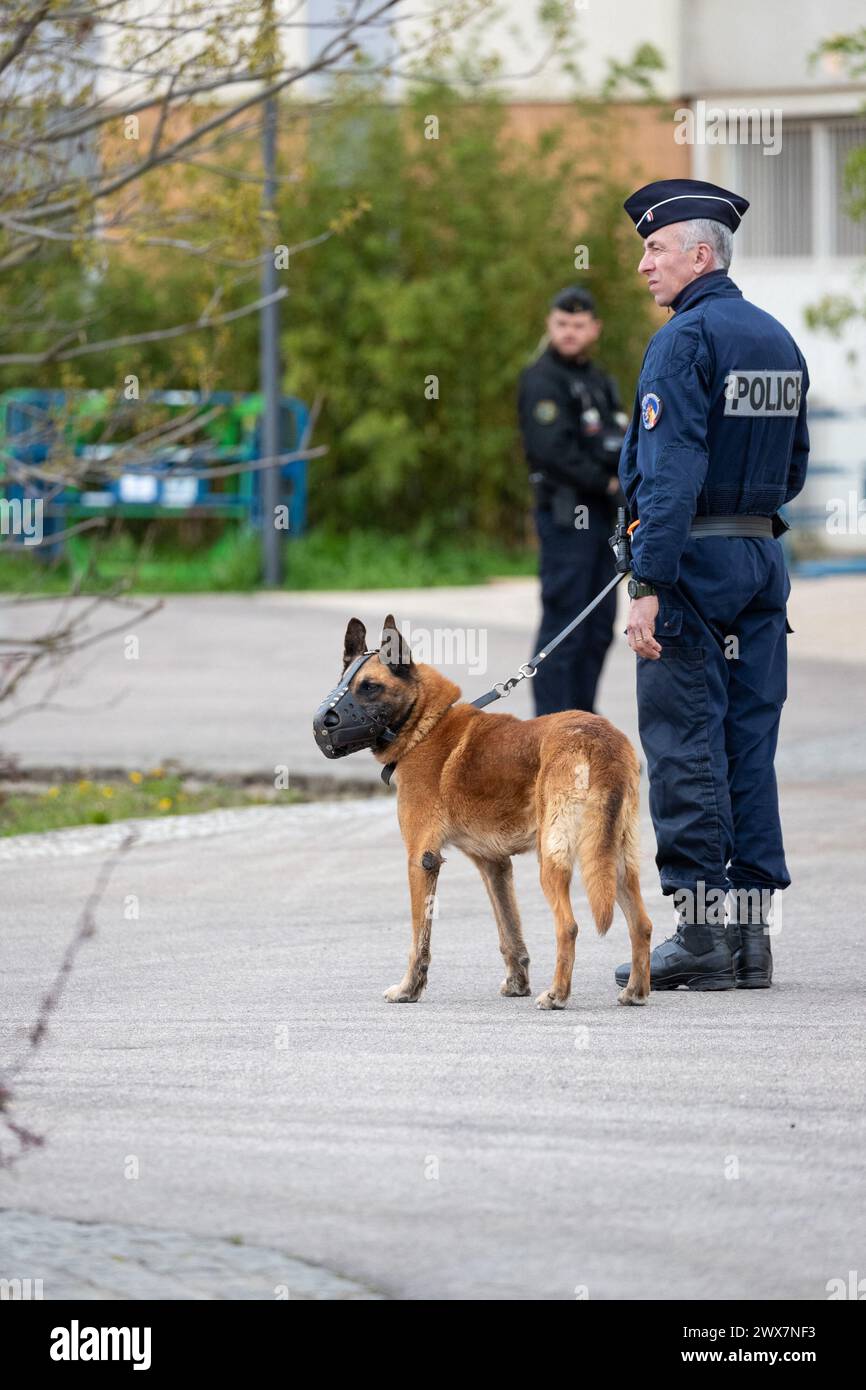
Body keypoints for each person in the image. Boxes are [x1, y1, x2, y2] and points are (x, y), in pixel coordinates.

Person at [613, 178, 810, 993]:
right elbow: (792, 468)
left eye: (654, 249)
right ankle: (750, 940)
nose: (642, 266)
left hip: (691, 569)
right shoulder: (775, 340)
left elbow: (670, 474)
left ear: (700, 254)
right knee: (747, 746)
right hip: (760, 562)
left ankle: (700, 935)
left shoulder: (684, 342)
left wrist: (648, 579)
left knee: (685, 740)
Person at [518, 287, 628, 716]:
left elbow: (617, 440)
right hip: (567, 519)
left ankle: (581, 725)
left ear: (594, 329)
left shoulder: (598, 381)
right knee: (565, 625)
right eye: (562, 324)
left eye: (579, 325)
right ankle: (549, 731)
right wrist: (606, 481)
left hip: (604, 522)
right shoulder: (541, 379)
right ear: (550, 324)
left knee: (598, 627)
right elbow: (552, 452)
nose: (570, 332)